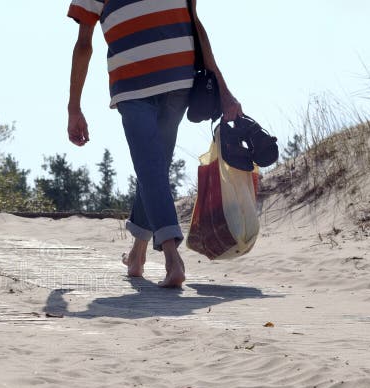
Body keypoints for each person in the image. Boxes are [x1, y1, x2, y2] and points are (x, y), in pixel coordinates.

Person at [67, 0, 242, 288]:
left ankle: (173, 258)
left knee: (151, 168)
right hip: (165, 81)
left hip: (154, 84)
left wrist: (74, 107)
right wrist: (74, 106)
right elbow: (195, 24)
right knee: (153, 169)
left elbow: (194, 24)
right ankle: (137, 255)